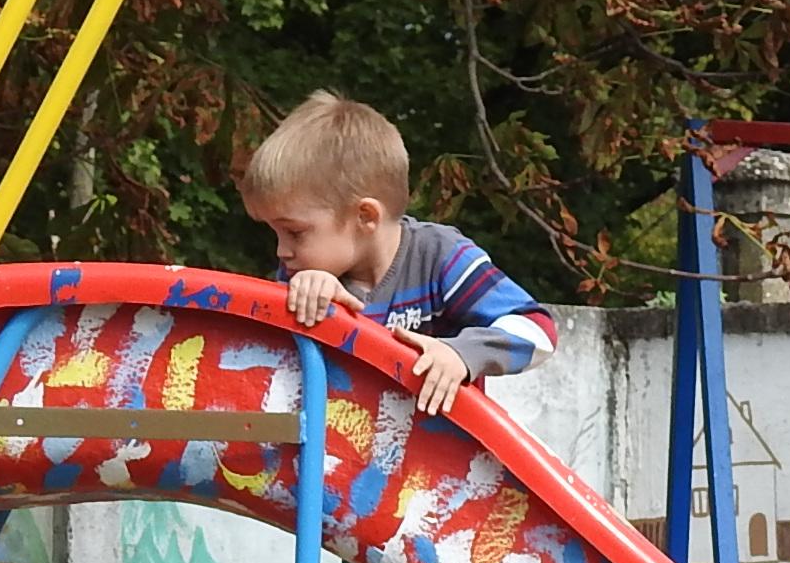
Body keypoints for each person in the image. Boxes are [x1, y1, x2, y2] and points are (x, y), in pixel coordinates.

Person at [239, 90, 558, 411]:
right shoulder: (304, 276)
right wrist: (317, 309)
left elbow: (536, 330)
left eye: (295, 232)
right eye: (275, 233)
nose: (281, 251)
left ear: (365, 217)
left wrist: (462, 353)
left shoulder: (438, 256)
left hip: (436, 438)